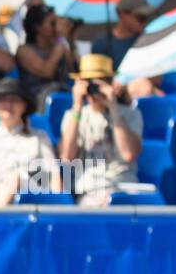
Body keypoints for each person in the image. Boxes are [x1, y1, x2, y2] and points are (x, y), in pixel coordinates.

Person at [58, 54, 143, 206]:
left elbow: (128, 154)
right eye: (88, 82)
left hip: (124, 189)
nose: (93, 88)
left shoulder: (130, 114)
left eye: (98, 82)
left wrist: (113, 109)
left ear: (109, 83)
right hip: (91, 190)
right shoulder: (73, 116)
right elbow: (66, 157)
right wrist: (77, 105)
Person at [0, 79, 58, 206]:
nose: (8, 105)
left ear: (24, 106)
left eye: (14, 100)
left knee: (17, 178)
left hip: (35, 201)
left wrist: (56, 207)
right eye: (3, 100)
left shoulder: (39, 138)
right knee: (13, 180)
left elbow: (53, 176)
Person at [16, 4, 75, 113]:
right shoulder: (24, 50)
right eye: (52, 23)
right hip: (38, 103)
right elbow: (46, 72)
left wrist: (68, 42)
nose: (55, 27)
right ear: (37, 27)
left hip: (63, 97)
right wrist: (58, 49)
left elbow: (72, 72)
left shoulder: (58, 46)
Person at [90, 0, 153, 71]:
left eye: (146, 17)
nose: (144, 22)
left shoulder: (148, 40)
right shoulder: (101, 44)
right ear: (121, 14)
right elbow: (97, 79)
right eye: (140, 17)